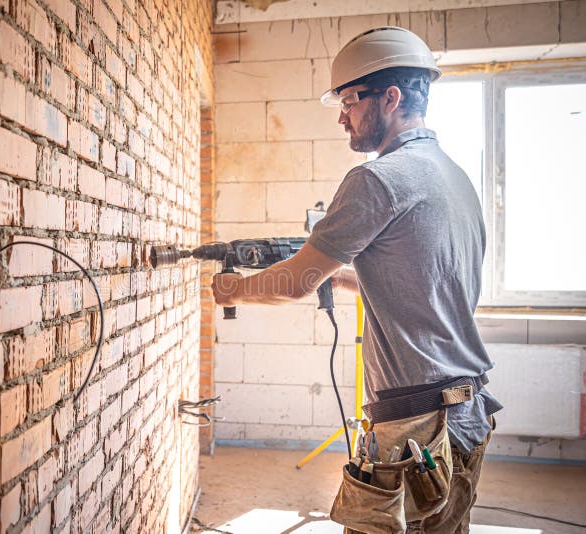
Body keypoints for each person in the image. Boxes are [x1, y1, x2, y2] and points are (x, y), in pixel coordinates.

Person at [211, 26, 502, 533]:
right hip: (465, 418)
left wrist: (234, 289)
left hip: (414, 434)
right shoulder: (454, 177)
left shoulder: (376, 178)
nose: (342, 116)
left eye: (349, 100)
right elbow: (423, 278)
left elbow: (295, 281)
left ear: (390, 97)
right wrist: (346, 280)